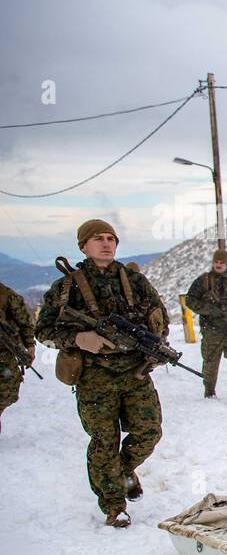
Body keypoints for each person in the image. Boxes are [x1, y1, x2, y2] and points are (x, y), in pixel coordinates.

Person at [35, 219, 169, 527]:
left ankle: (120, 472)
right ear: (83, 246)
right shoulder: (67, 287)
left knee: (149, 433)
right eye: (98, 238)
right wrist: (80, 339)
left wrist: (157, 349)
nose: (106, 243)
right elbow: (43, 330)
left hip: (135, 372)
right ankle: (113, 505)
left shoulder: (134, 280)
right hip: (95, 378)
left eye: (111, 238)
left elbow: (159, 317)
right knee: (104, 440)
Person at [185, 248, 227, 402]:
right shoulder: (204, 281)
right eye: (216, 261)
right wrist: (210, 310)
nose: (219, 264)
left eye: (222, 262)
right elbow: (190, 300)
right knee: (210, 362)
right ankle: (209, 391)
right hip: (212, 330)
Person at [0, 280, 36, 434]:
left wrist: (30, 346)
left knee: (6, 393)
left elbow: (24, 323)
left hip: (3, 356)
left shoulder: (5, 295)